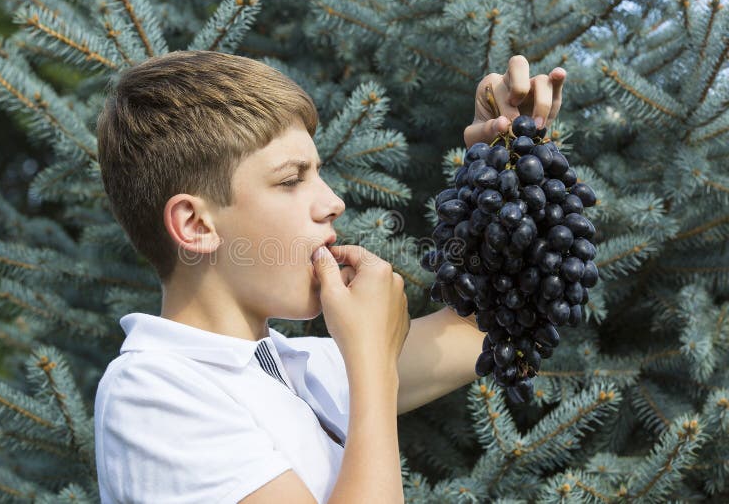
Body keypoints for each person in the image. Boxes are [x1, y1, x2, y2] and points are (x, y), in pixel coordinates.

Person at [93, 50, 566, 503]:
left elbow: (492, 326)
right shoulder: (152, 394)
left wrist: (506, 163)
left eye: (318, 173)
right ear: (196, 225)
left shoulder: (300, 367)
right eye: (291, 179)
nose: (333, 202)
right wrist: (372, 364)